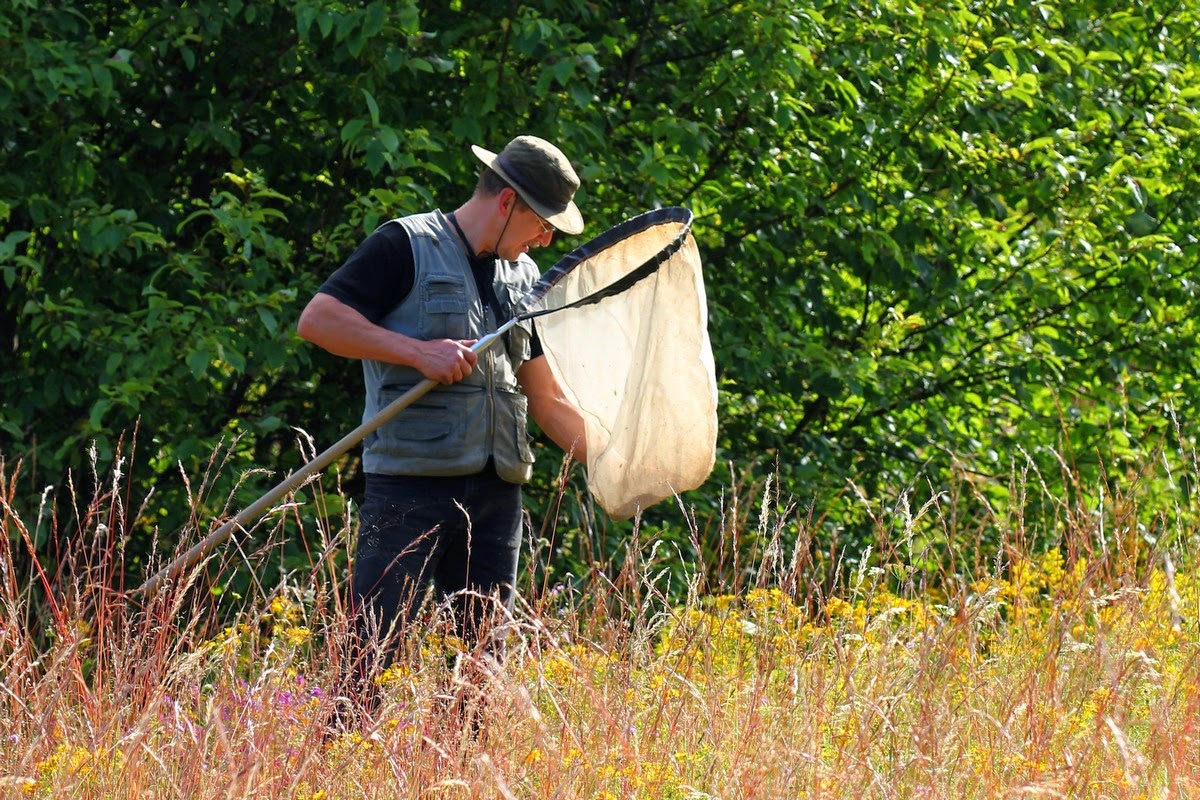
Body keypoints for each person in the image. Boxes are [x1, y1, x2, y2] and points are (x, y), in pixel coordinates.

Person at [297, 135, 588, 695]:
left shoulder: (526, 279)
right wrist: (417, 351)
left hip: (497, 494)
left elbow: (546, 399)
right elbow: (319, 320)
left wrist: (616, 461)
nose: (546, 237)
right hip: (408, 485)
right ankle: (339, 771)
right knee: (371, 657)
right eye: (543, 221)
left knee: (481, 670)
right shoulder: (404, 244)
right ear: (507, 203)